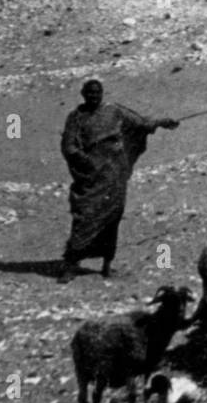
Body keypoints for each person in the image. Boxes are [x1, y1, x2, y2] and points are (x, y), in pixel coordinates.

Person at [60, 79, 179, 279]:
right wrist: (84, 160)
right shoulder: (75, 117)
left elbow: (141, 123)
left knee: (111, 219)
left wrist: (162, 122)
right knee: (84, 218)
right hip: (90, 177)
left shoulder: (114, 111)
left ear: (102, 93)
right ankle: (71, 265)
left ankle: (107, 265)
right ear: (83, 94)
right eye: (89, 93)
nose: (93, 97)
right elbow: (68, 145)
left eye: (97, 93)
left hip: (114, 173)